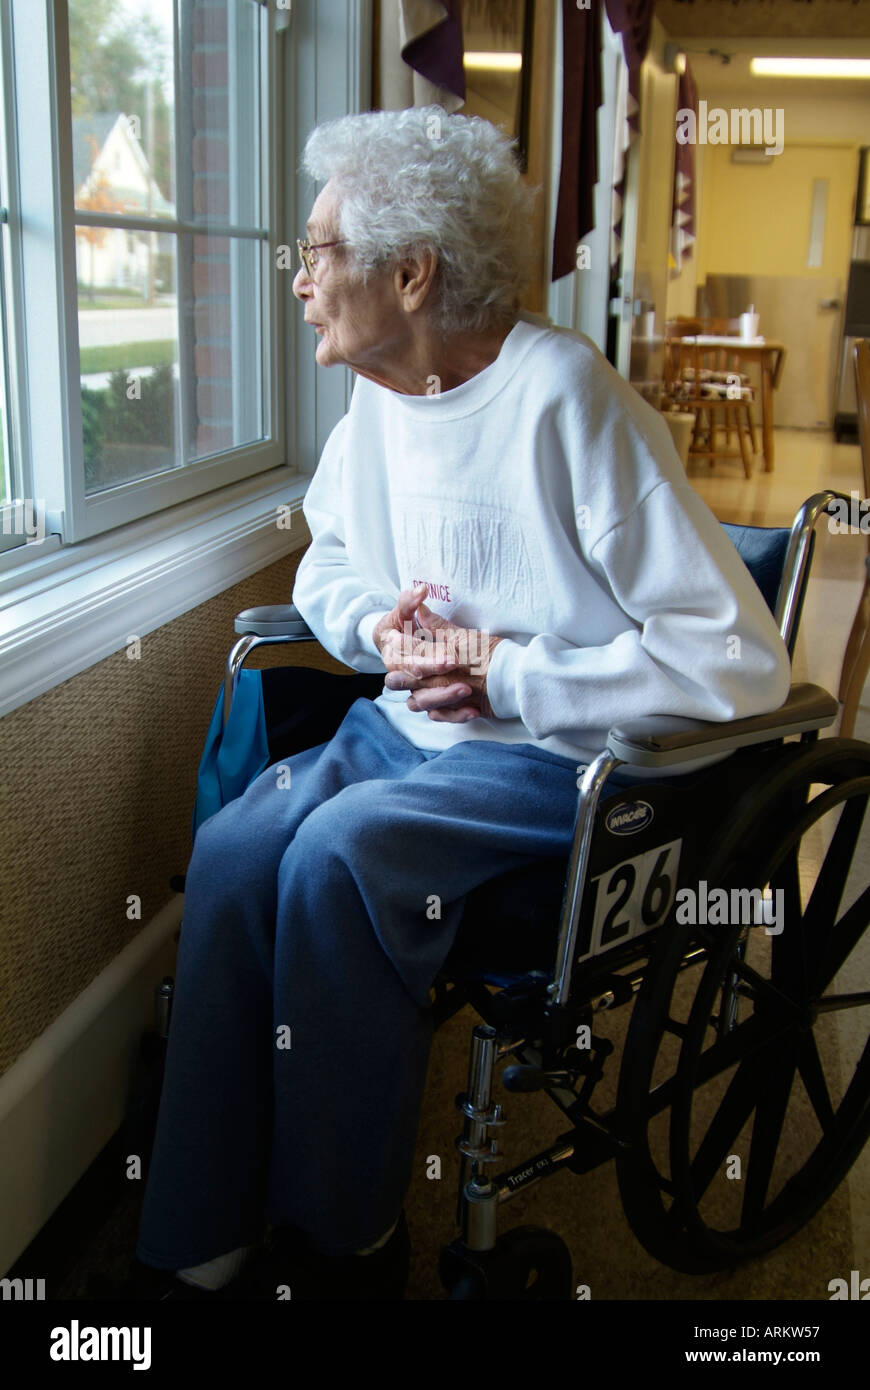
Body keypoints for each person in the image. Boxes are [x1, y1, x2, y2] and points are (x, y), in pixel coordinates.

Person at [123, 107, 790, 1301]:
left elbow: (738, 660)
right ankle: (202, 1224)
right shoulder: (381, 399)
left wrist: (510, 673)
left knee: (337, 859)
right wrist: (379, 625)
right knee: (234, 850)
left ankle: (344, 1243)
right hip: (404, 729)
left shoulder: (565, 401)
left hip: (549, 757)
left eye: (319, 253)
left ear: (413, 272)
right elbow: (328, 564)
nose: (302, 283)